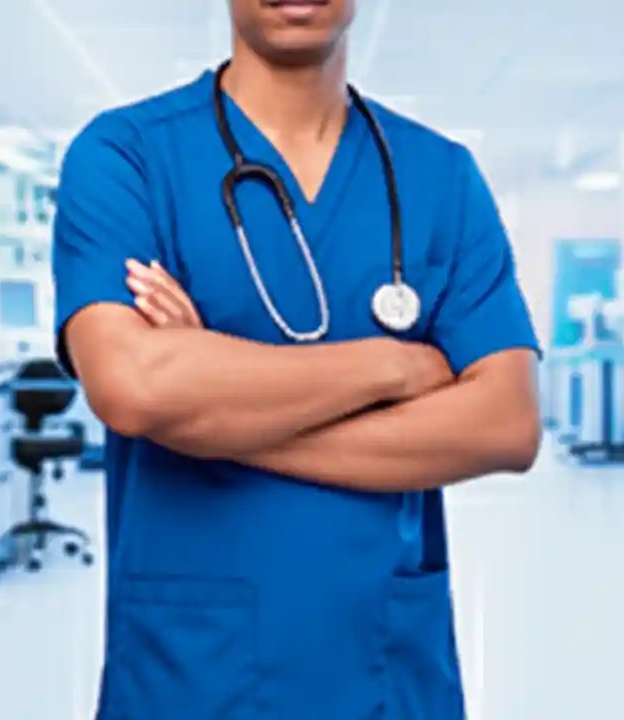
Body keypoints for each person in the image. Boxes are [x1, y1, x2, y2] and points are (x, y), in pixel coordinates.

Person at [53, 1, 541, 717]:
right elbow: (132, 387)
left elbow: (506, 424)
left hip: (386, 672)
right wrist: (393, 368)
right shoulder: (126, 155)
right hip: (191, 675)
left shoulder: (441, 177)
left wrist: (207, 414)